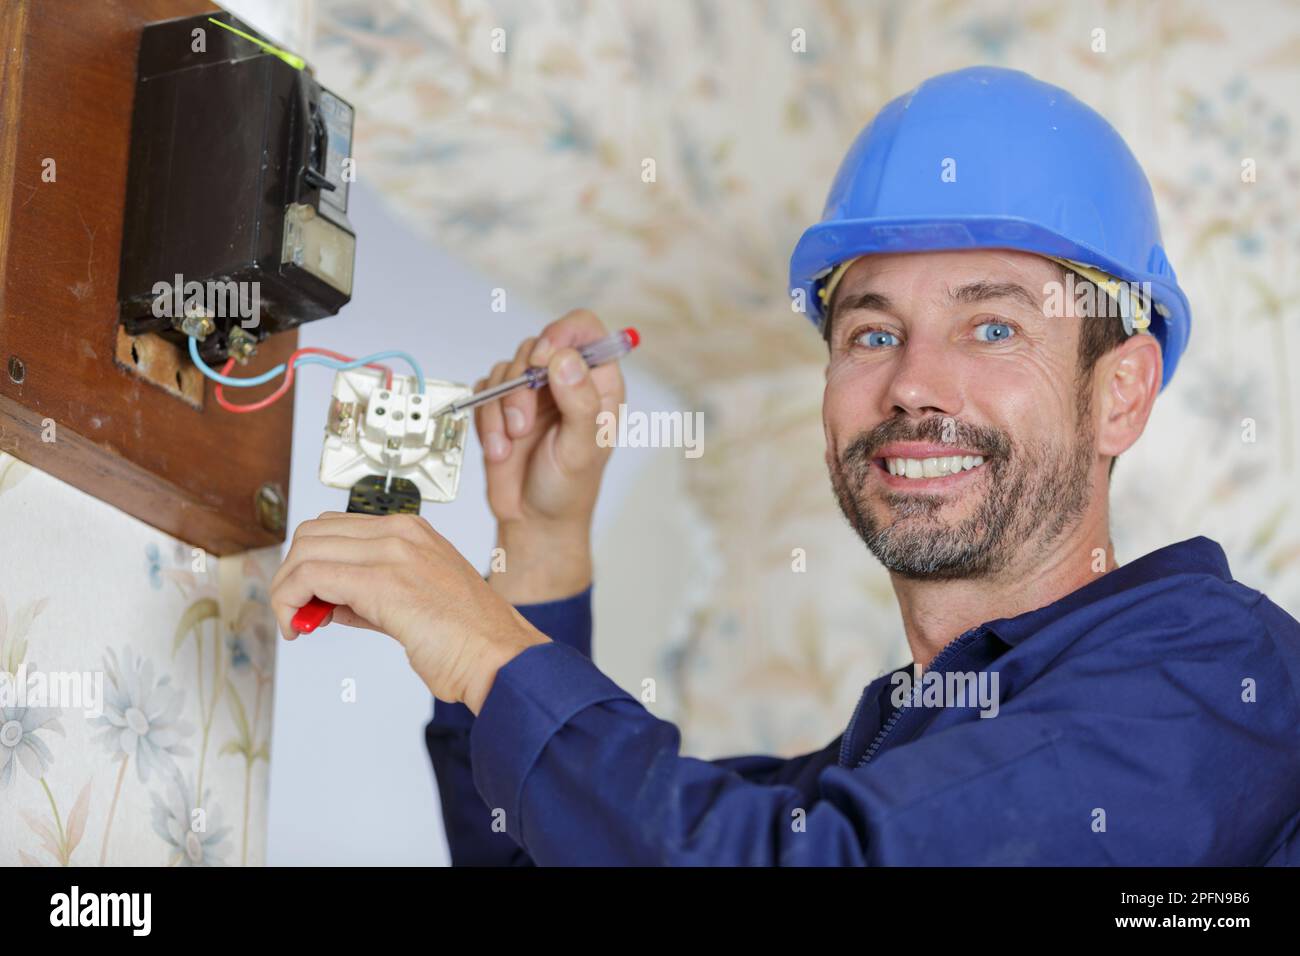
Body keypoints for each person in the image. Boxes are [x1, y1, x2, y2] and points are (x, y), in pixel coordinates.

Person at [269, 67, 1300, 865]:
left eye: (989, 326)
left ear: (1120, 391)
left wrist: (490, 649)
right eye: (868, 332)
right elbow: (550, 847)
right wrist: (539, 550)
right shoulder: (872, 769)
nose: (911, 385)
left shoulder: (1217, 676)